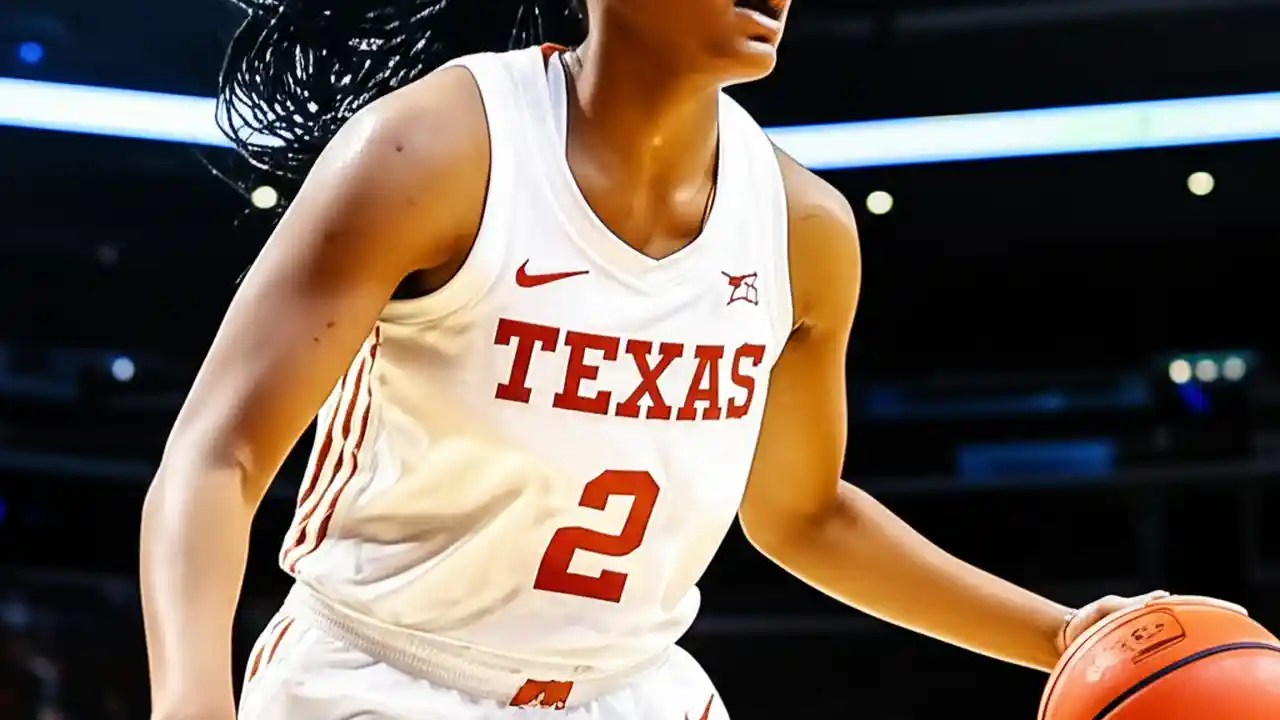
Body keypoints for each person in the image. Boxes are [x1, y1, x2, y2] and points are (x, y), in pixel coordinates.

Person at [139, 1, 1243, 718]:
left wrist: (1061, 634)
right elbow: (217, 454)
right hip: (377, 679)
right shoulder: (434, 148)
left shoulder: (801, 226)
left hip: (633, 692)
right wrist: (190, 703)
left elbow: (802, 514)